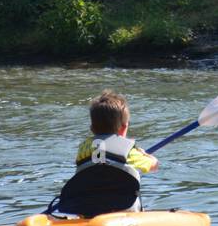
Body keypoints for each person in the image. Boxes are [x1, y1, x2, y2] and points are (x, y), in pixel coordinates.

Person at [47, 89, 158, 218]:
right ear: (124, 127)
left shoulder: (84, 148)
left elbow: (100, 162)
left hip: (88, 211)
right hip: (123, 212)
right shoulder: (130, 151)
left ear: (92, 128)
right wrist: (147, 156)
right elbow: (153, 166)